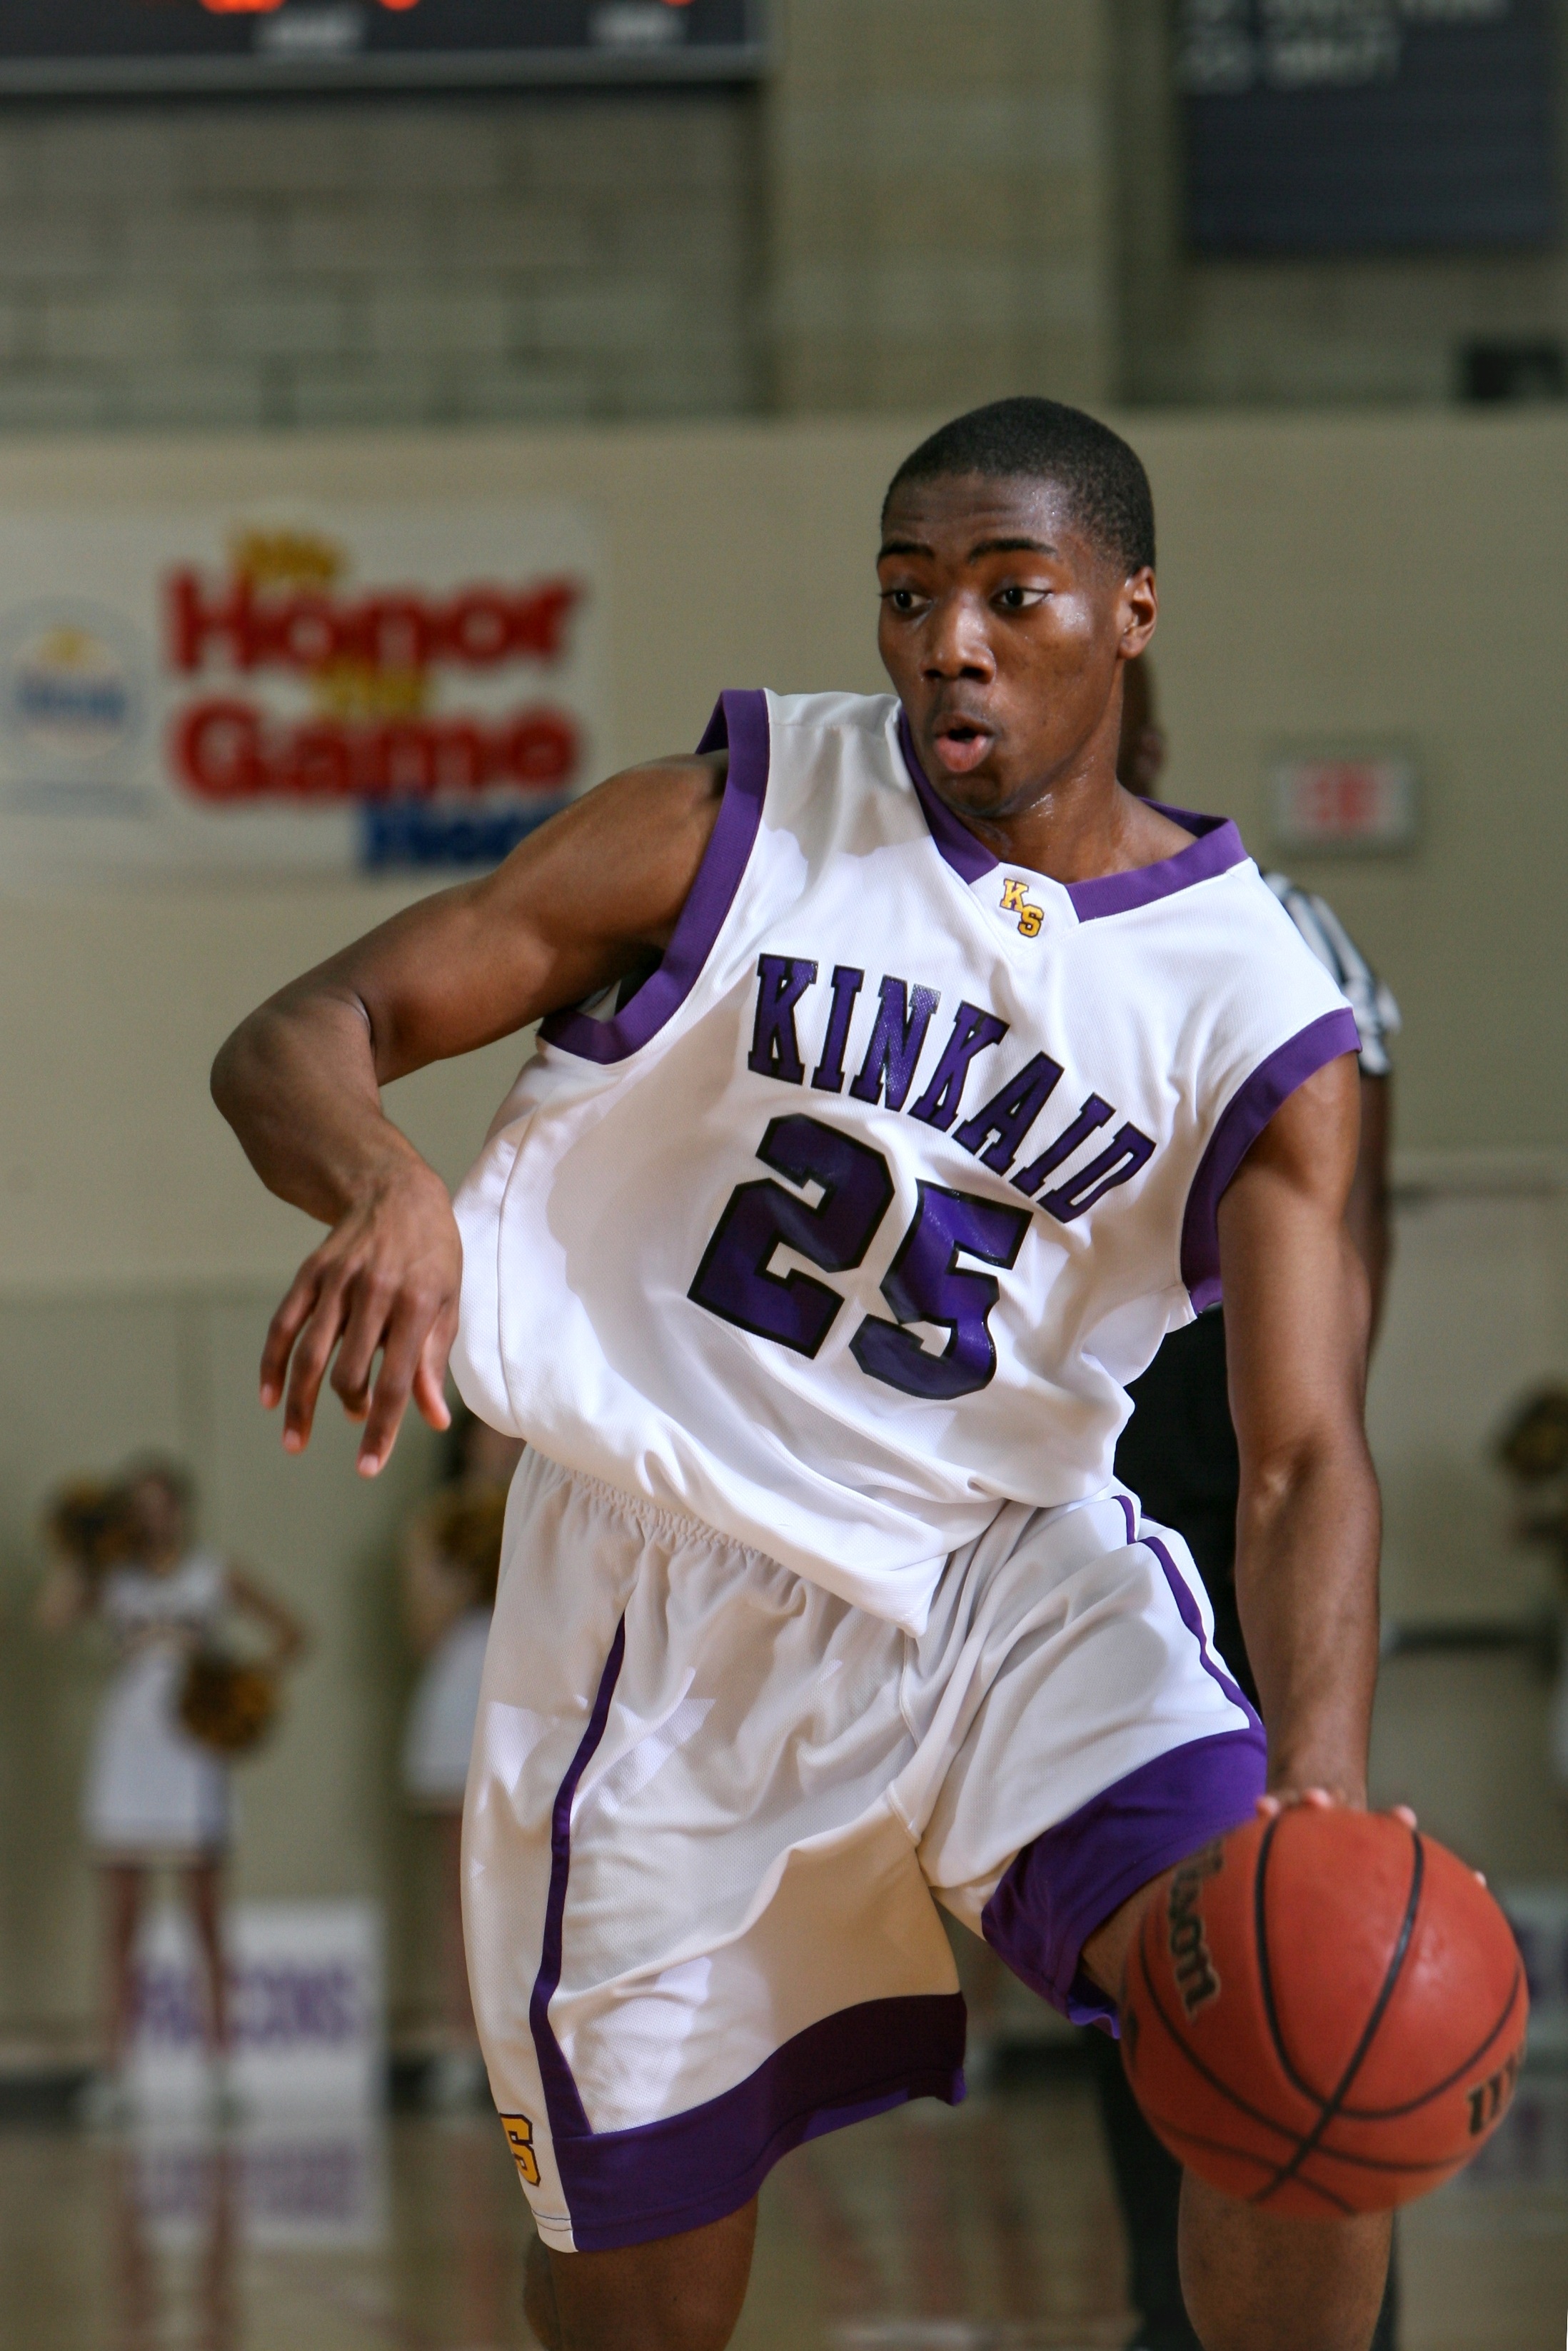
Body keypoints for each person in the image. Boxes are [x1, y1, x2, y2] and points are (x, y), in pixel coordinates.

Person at [213, 397, 1392, 2351]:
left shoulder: (1253, 1001)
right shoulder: (735, 815)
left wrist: (1327, 1789)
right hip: (660, 1594)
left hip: (999, 1573)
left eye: (1011, 596)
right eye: (910, 593)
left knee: (1299, 2015)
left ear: (1128, 612)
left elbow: (1297, 1459)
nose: (950, 640)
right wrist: (386, 1181)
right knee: (640, 2306)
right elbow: (301, 1030)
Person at [1087, 655, 1402, 2351]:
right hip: (1085, 1457)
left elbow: (1361, 1218)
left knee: (1309, 1919)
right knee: (1137, 1944)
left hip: (1250, 1440)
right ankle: (1164, 2303)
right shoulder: (980, 928)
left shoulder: (1272, 929)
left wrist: (1320, 1425)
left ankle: (1346, 2318)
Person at [38, 1457, 308, 2124]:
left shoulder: (212, 1571)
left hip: (191, 1754)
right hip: (126, 1747)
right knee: (121, 1922)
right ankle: (116, 2073)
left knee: (206, 1919)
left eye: (165, 1504)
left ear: (183, 1509)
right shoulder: (112, 1576)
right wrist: (84, 1548)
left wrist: (241, 1689)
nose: (155, 1517)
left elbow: (293, 1632)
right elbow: (51, 1618)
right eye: (142, 1505)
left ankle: (221, 2071)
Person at [401, 1408, 523, 2108]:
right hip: (456, 1705)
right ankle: (459, 2044)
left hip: (535, 1705)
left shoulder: (564, 1508)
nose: (503, 1441)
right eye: (490, 1427)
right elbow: (424, 1629)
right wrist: (472, 1554)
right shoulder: (433, 1520)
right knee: (462, 1897)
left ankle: (531, 2043)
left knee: (539, 1892)